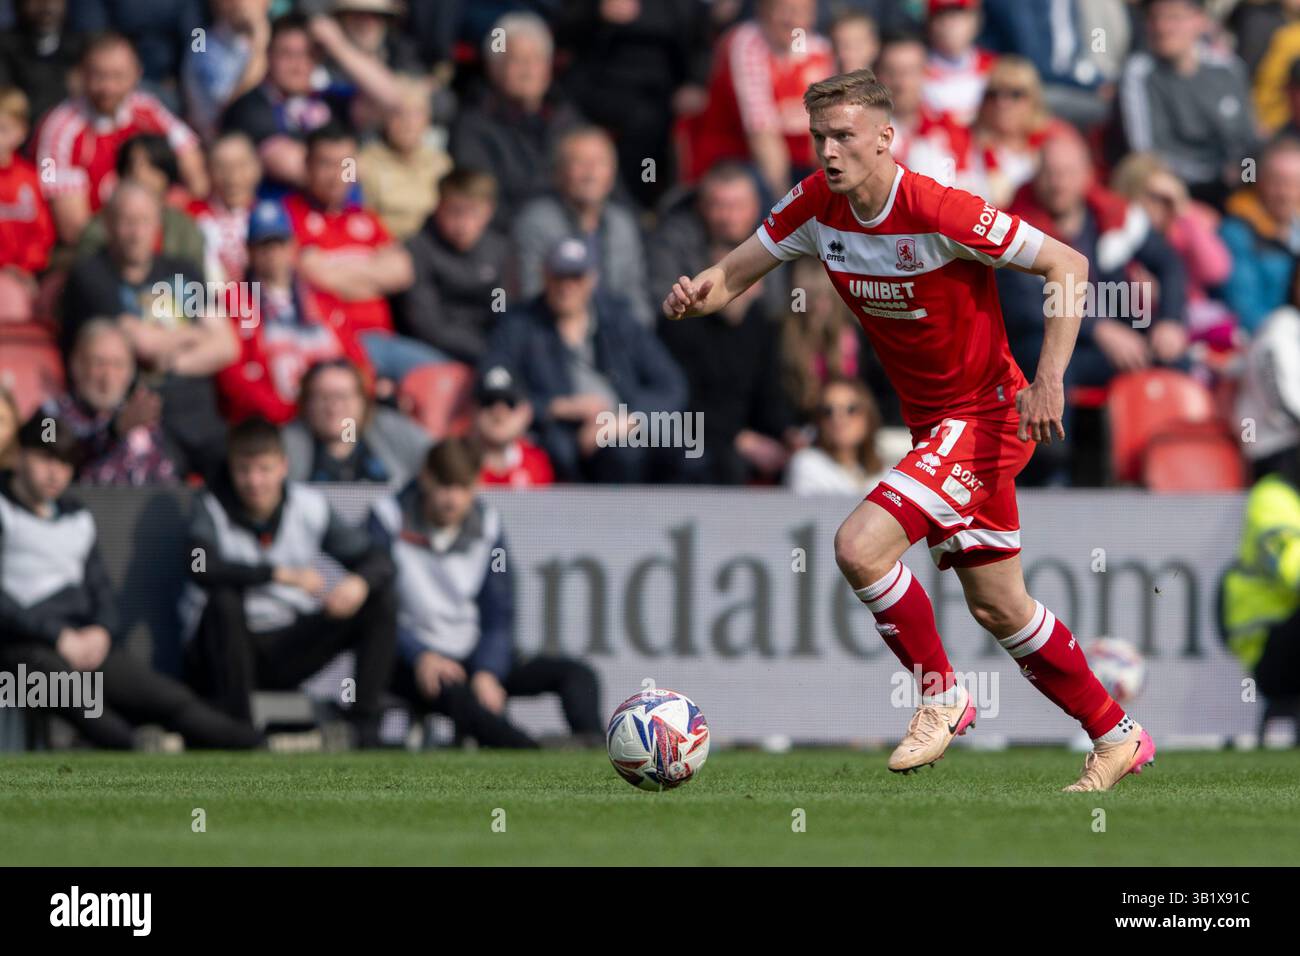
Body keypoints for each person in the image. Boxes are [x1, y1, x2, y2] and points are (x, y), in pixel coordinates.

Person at [661, 68, 1153, 791]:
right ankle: (1116, 733)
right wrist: (695, 293)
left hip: (988, 415)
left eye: (845, 137)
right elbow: (732, 276)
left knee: (859, 547)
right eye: (820, 137)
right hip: (937, 428)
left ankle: (940, 696)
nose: (829, 152)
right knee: (999, 604)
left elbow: (1067, 264)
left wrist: (1050, 380)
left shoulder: (936, 208)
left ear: (886, 138)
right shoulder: (815, 205)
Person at [0, 414, 260, 750]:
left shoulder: (78, 516)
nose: (55, 473)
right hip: (21, 649)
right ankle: (139, 751)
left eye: (64, 464)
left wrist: (102, 631)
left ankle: (259, 745)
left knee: (170, 699)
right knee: (90, 710)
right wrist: (57, 635)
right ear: (20, 456)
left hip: (84, 643)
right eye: (46, 459)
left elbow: (101, 590)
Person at [181, 416, 397, 747]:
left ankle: (362, 727)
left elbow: (379, 560)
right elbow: (201, 567)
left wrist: (359, 583)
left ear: (283, 466)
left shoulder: (307, 506)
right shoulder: (209, 505)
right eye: (244, 470)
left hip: (285, 646)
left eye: (264, 469)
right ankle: (239, 732)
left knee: (380, 601)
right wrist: (278, 574)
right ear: (231, 467)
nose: (254, 482)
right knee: (225, 599)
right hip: (222, 651)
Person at [373, 438, 601, 747]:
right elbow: (374, 607)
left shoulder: (488, 525)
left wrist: (487, 669)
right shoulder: (387, 520)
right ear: (426, 477)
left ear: (478, 484)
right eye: (444, 485)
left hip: (473, 656)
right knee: (462, 698)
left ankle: (598, 749)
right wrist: (419, 654)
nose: (452, 500)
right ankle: (534, 752)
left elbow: (499, 610)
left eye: (462, 487)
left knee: (578, 675)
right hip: (413, 664)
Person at [60, 181, 236, 478]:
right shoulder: (91, 276)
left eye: (144, 221)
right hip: (142, 419)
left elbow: (227, 346)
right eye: (127, 222)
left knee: (244, 469)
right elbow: (140, 344)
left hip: (200, 416)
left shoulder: (183, 272)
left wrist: (172, 360)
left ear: (157, 224)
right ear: (109, 224)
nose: (136, 232)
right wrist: (196, 335)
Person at [484, 237, 688, 484]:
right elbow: (495, 381)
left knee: (688, 452)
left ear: (592, 279)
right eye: (559, 277)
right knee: (620, 456)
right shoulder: (520, 325)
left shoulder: (618, 321)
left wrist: (627, 419)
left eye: (575, 277)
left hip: (623, 425)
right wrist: (558, 406)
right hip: (559, 435)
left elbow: (672, 385)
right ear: (544, 276)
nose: (566, 287)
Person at [283, 122, 435, 387]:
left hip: (385, 340)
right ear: (307, 166)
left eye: (344, 165)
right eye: (325, 164)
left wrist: (338, 274)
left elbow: (402, 273)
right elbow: (313, 277)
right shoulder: (288, 216)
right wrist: (372, 277)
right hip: (334, 343)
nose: (335, 175)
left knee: (451, 379)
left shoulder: (366, 219)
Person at [34, 32, 206, 244]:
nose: (108, 88)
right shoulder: (60, 129)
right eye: (98, 76)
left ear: (137, 74)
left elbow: (196, 177)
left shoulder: (147, 110)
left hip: (156, 239)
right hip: (101, 251)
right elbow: (75, 230)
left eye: (118, 76)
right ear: (81, 76)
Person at [215, 200, 373, 426]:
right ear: (249, 251)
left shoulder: (322, 299)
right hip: (279, 424)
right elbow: (235, 381)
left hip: (336, 415)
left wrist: (358, 403)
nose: (272, 253)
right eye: (263, 245)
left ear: (292, 246)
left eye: (279, 243)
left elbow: (357, 361)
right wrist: (291, 416)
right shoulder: (233, 303)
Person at [1117, 0, 1257, 208]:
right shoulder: (1139, 72)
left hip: (1231, 186)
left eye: (1174, 18)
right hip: (1175, 190)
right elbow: (1146, 152)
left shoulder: (1229, 69)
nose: (1163, 27)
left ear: (1200, 21)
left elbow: (1247, 139)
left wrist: (1247, 177)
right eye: (1155, 18)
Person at [513, 126, 653, 328]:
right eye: (579, 163)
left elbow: (636, 298)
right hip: (552, 335)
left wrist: (636, 339)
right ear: (559, 173)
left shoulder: (623, 224)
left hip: (618, 338)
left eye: (599, 163)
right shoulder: (535, 223)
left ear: (613, 173)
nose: (590, 173)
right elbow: (531, 296)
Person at [42, 318, 179, 485]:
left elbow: (167, 480)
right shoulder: (49, 416)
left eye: (118, 365)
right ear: (76, 364)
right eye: (99, 363)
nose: (108, 377)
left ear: (131, 372)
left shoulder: (142, 420)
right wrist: (113, 432)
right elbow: (48, 463)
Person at [397, 168, 511, 366]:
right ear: (438, 208)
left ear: (489, 211)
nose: (463, 224)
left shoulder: (497, 250)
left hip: (487, 345)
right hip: (431, 350)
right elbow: (427, 325)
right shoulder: (418, 250)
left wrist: (499, 345)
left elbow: (500, 306)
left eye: (474, 212)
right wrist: (487, 352)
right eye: (454, 211)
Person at [282, 358, 429, 487]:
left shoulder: (393, 431)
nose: (333, 406)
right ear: (306, 403)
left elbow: (439, 458)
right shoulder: (285, 444)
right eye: (323, 397)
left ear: (363, 401)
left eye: (343, 396)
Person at [0, 87, 54, 318]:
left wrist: (25, 268)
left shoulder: (32, 179)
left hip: (30, 275)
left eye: (2, 129)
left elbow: (43, 233)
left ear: (21, 132)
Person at [786, 377, 888, 494]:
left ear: (869, 416)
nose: (838, 419)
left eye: (851, 409)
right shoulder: (806, 463)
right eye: (828, 411)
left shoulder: (885, 471)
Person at [473, 366, 554, 488]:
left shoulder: (538, 464)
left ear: (527, 412)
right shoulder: (458, 463)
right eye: (489, 401)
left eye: (510, 402)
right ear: (473, 410)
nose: (499, 412)